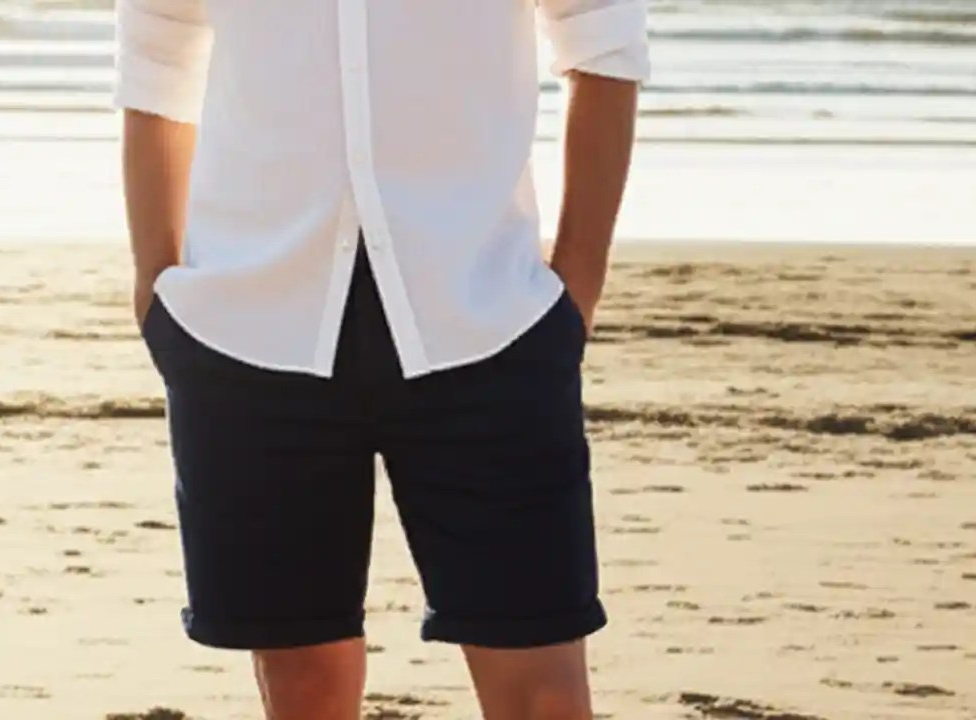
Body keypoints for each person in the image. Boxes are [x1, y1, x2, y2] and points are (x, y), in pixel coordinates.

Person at [113, 0, 648, 717]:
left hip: (485, 316)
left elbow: (603, 34)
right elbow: (158, 45)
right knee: (305, 689)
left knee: (543, 690)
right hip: (250, 322)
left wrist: (577, 283)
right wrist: (155, 278)